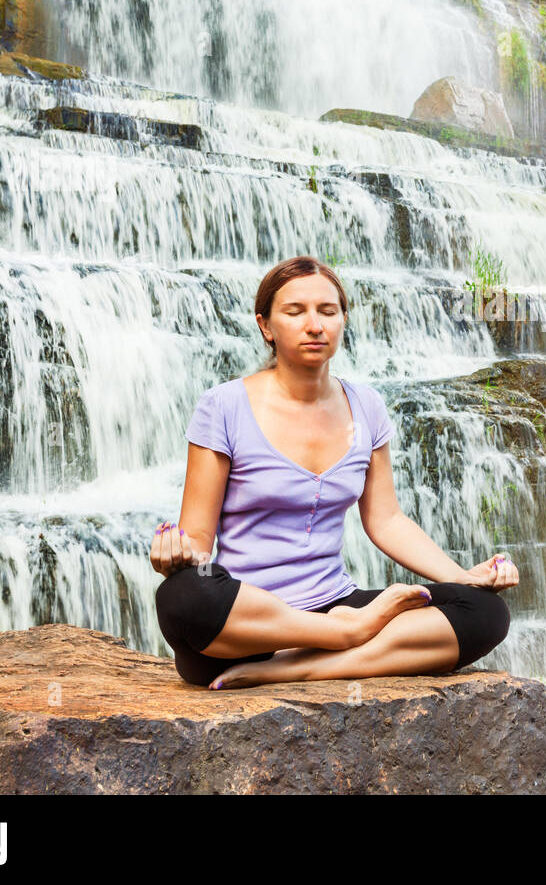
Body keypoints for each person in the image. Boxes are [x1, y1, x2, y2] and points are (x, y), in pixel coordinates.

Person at [153, 255, 517, 690]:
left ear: (343, 319)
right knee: (183, 596)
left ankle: (304, 667)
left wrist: (461, 576)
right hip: (253, 622)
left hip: (335, 601)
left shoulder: (366, 406)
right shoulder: (224, 406)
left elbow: (386, 520)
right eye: (295, 312)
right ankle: (346, 639)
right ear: (266, 325)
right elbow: (197, 539)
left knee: (486, 612)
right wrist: (176, 554)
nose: (314, 325)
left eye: (328, 311)